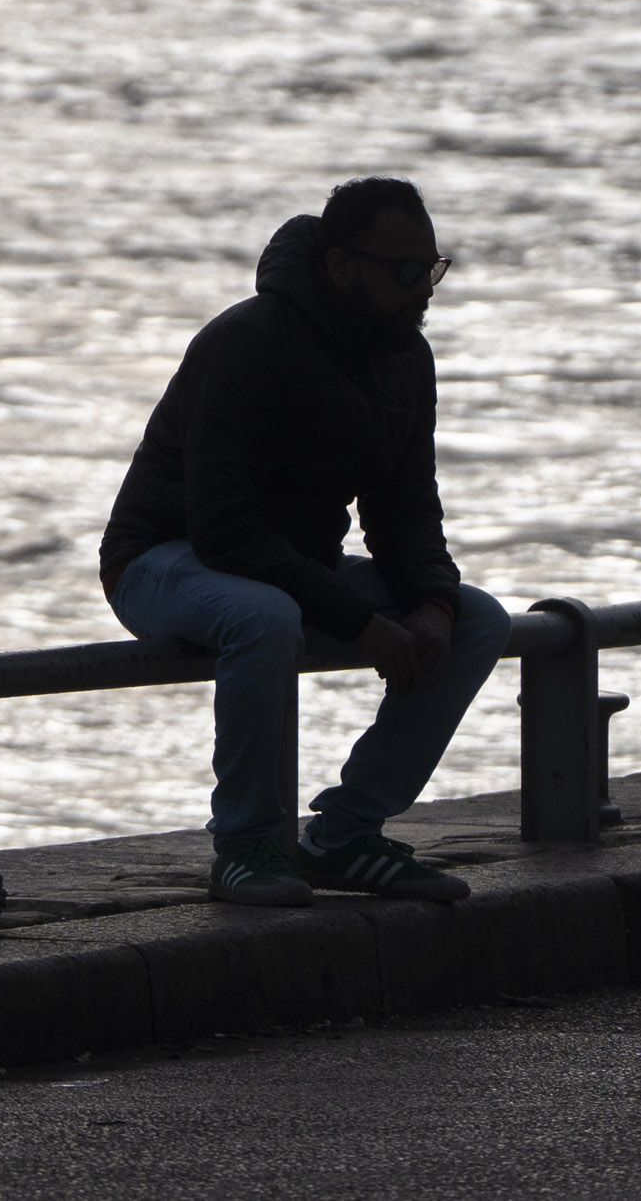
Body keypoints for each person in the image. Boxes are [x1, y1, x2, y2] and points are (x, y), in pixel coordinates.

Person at [99, 177, 513, 906]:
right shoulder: (247, 342)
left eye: (434, 267)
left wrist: (430, 605)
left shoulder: (404, 359)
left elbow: (406, 507)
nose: (426, 289)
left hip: (289, 567)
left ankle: (344, 833)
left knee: (478, 618)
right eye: (406, 271)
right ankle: (247, 844)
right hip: (163, 557)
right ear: (342, 266)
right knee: (263, 616)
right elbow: (225, 529)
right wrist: (360, 623)